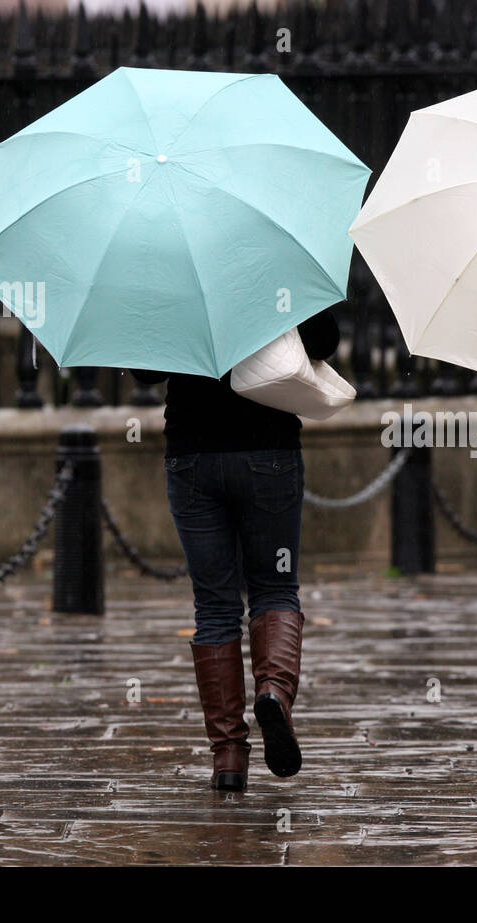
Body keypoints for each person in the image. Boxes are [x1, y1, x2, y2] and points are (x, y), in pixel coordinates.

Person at [130, 308, 340, 792]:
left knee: (214, 606)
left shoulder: (170, 264)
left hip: (192, 456)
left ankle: (228, 757)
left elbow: (144, 370)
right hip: (268, 450)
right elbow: (323, 341)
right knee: (275, 588)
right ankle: (273, 693)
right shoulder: (276, 258)